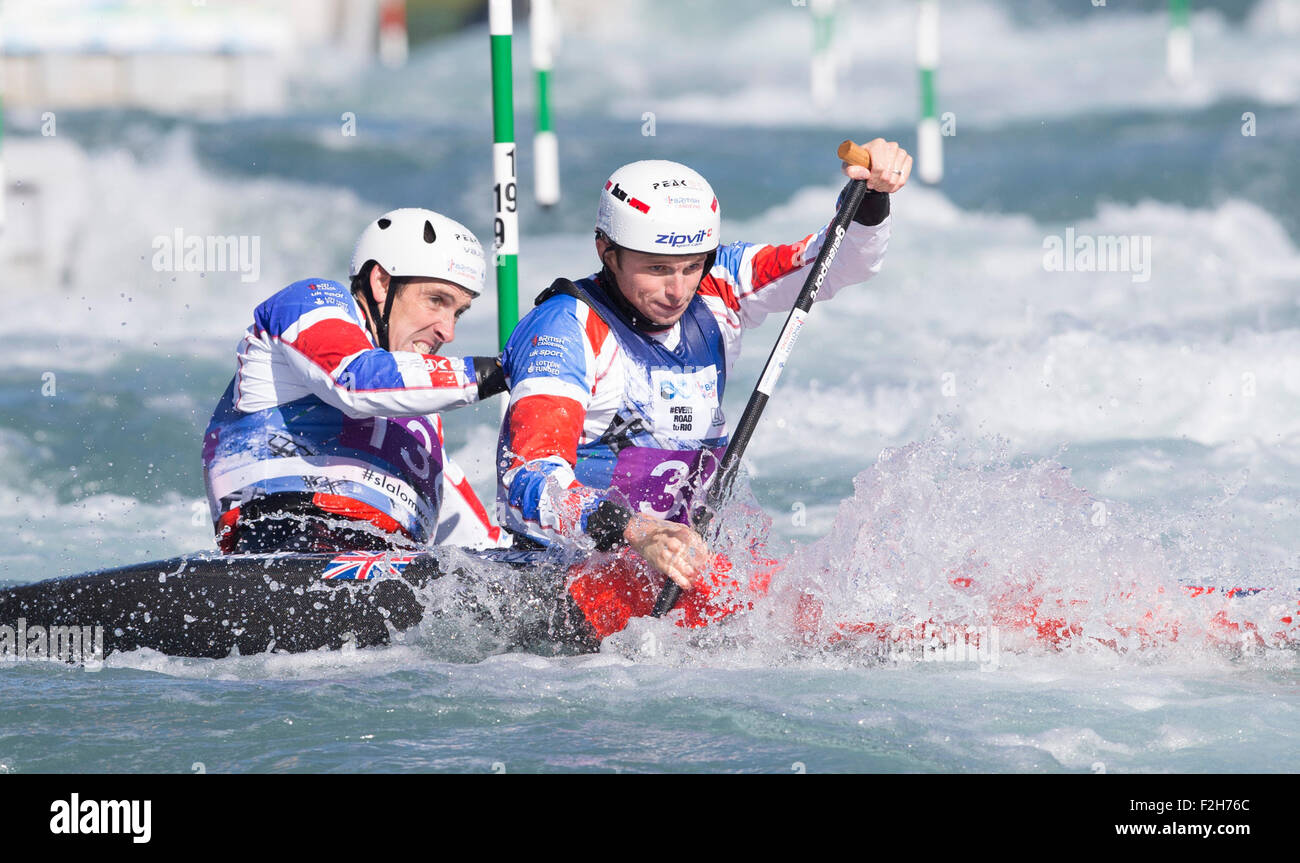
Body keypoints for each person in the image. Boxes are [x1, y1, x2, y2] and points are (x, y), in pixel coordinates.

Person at [496, 140, 911, 634]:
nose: (678, 290)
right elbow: (526, 480)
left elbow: (832, 261)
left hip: (687, 572)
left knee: (857, 624)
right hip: (582, 577)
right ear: (606, 251)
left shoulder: (719, 285)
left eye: (692, 266)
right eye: (657, 269)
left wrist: (873, 198)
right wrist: (637, 530)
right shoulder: (564, 330)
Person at [203, 208, 509, 554]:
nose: (448, 331)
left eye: (457, 313)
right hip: (285, 536)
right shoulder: (311, 301)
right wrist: (502, 371)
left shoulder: (425, 426)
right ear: (381, 282)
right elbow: (355, 380)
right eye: (436, 300)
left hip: (388, 574)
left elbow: (481, 550)